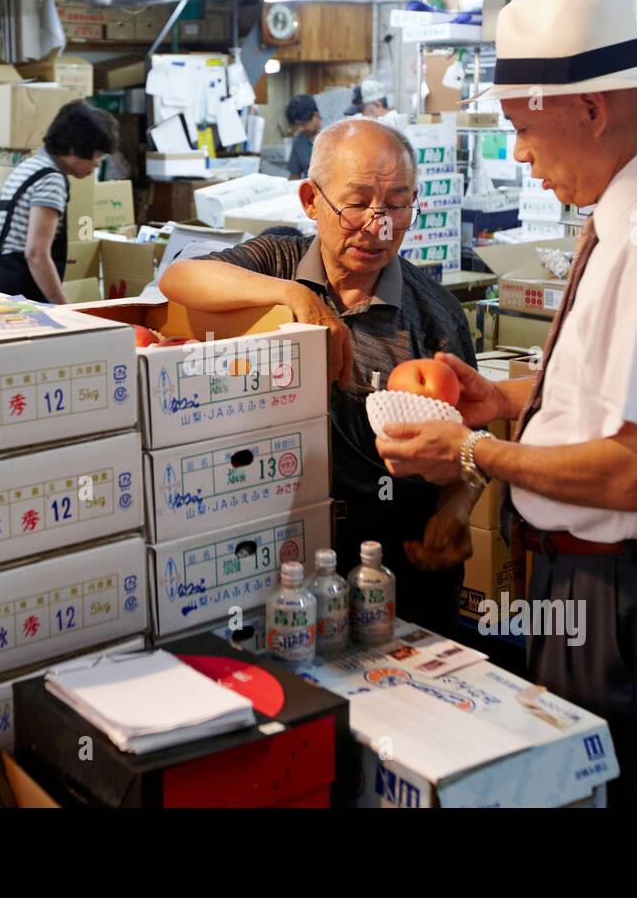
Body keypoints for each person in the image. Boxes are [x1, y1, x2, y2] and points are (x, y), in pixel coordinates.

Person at [374, 0, 637, 808]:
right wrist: (511, 396)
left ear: (590, 109)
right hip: (630, 588)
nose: (518, 153)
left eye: (524, 126)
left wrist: (466, 451)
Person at [160, 118, 477, 638]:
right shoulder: (279, 260)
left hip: (396, 559)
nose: (378, 226)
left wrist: (457, 510)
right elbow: (178, 278)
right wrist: (295, 296)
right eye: (357, 203)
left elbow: (466, 441)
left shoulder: (435, 315)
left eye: (396, 205)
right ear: (311, 200)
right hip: (280, 553)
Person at [0, 101, 118, 302]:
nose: (98, 163)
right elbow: (36, 254)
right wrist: (64, 309)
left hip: (1, 282)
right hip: (24, 290)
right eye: (97, 154)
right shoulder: (51, 179)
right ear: (75, 149)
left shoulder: (28, 166)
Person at [284, 94, 321, 179]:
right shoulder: (298, 141)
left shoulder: (333, 136)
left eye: (303, 124)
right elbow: (294, 175)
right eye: (297, 125)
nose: (300, 129)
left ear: (315, 116)